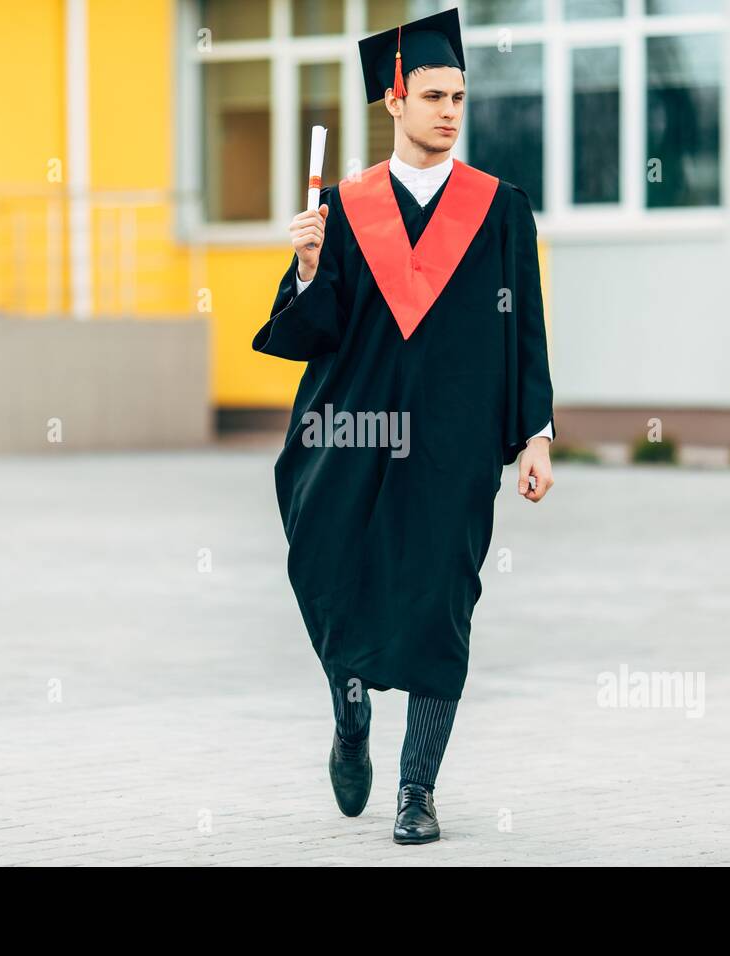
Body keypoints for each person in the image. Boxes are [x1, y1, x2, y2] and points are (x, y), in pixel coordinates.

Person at [251, 7, 555, 845]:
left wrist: (535, 433)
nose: (450, 111)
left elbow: (524, 327)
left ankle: (416, 790)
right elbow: (313, 337)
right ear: (395, 102)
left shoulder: (499, 209)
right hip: (352, 435)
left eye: (459, 95)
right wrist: (310, 268)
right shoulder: (344, 211)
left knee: (439, 606)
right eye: (432, 95)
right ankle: (351, 723)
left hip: (453, 445)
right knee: (332, 579)